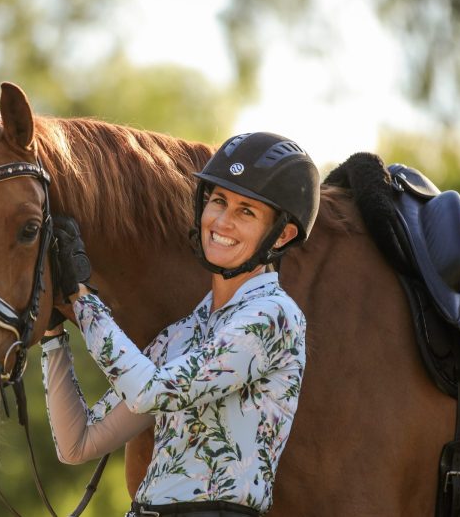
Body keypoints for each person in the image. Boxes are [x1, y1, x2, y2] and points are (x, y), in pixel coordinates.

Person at [41, 132, 321, 517]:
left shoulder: (273, 318)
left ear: (284, 234)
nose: (221, 221)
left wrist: (83, 300)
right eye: (218, 201)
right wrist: (53, 335)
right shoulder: (182, 334)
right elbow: (77, 444)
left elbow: (149, 392)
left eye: (246, 211)